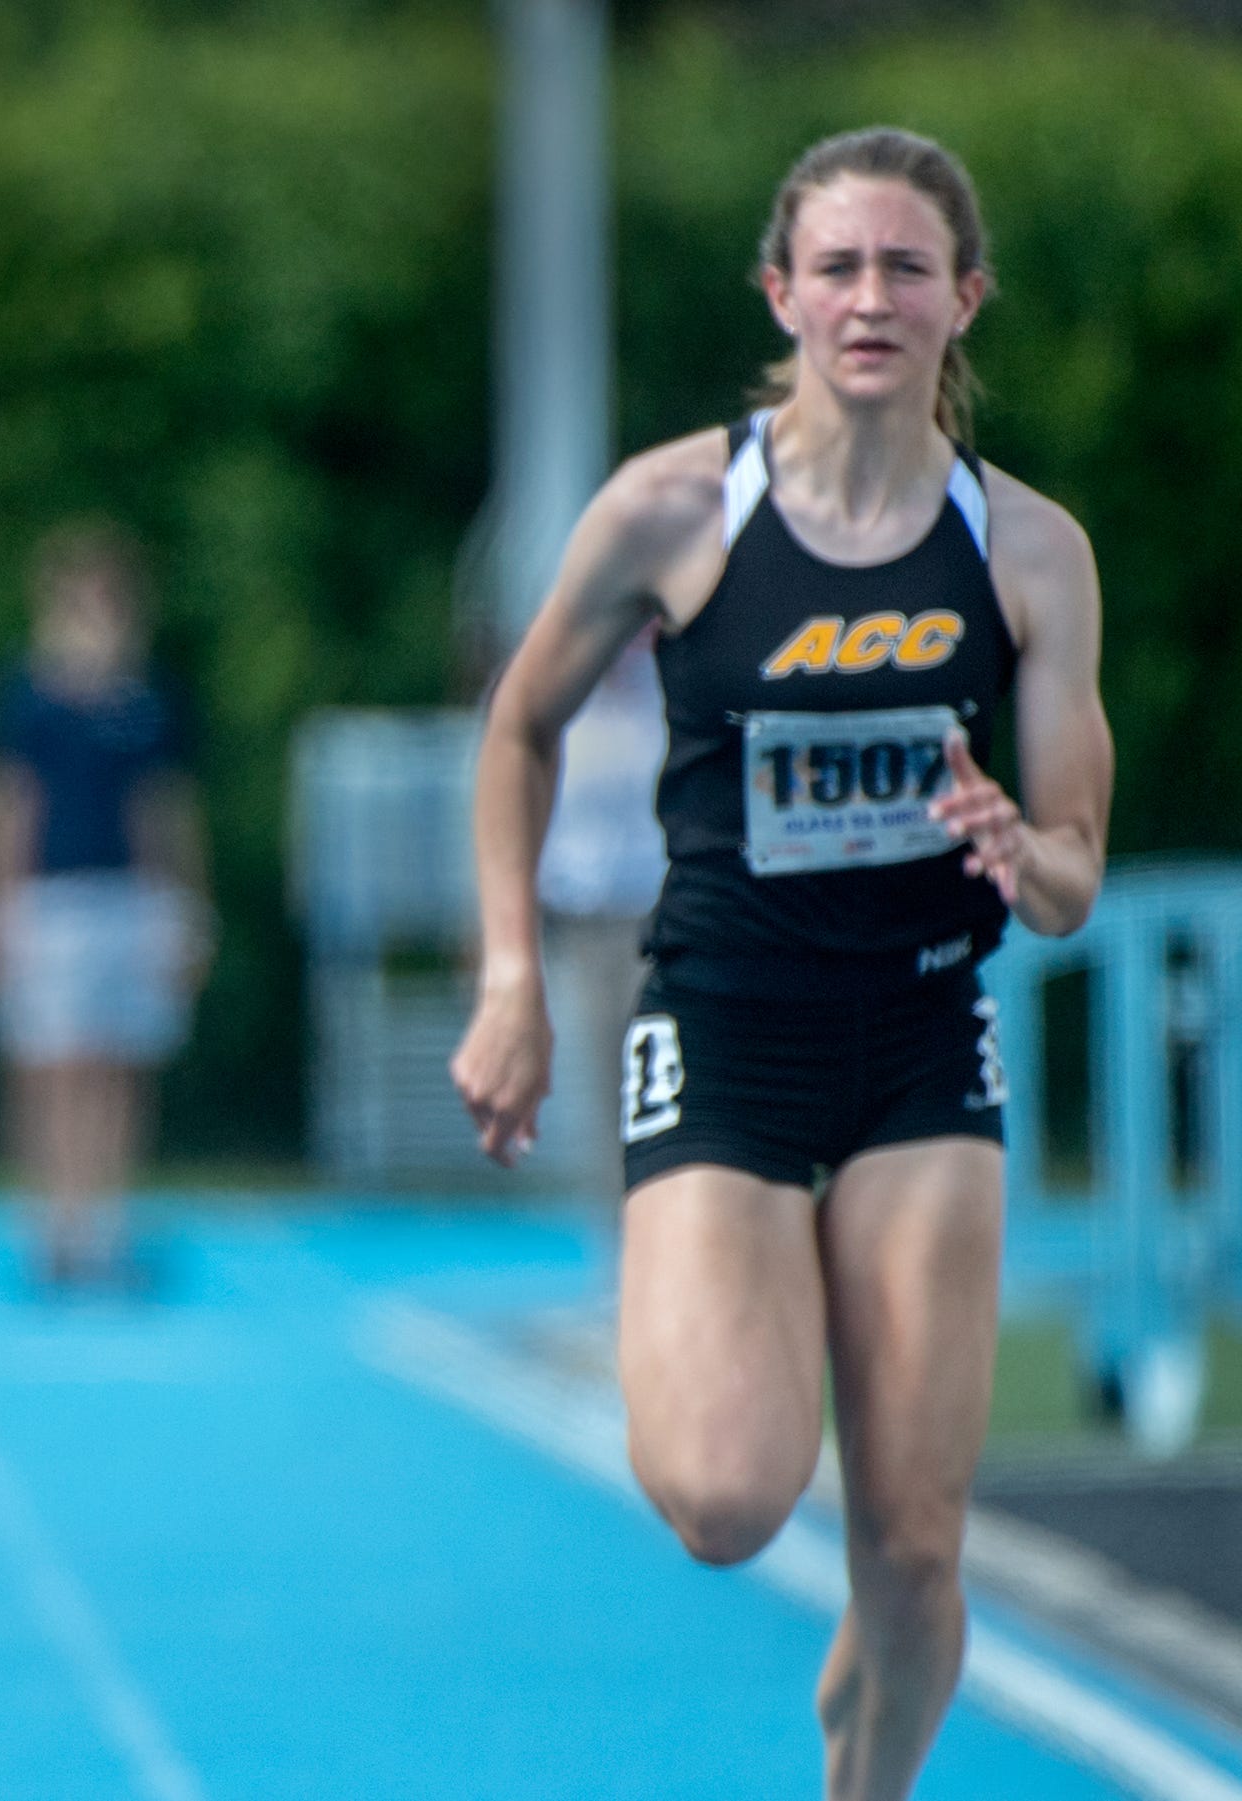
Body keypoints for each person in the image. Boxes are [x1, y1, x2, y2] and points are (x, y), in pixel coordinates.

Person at [450, 129, 1110, 1801]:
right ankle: (765, 1305)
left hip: (919, 1045)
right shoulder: (678, 509)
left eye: (906, 268)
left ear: (965, 299)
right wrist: (513, 978)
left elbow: (1073, 877)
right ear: (782, 292)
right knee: (729, 1499)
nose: (869, 298)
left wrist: (1023, 848)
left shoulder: (1028, 555)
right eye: (837, 266)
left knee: (914, 1539)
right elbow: (517, 725)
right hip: (726, 1031)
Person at [0, 521, 210, 1293]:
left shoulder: (147, 703)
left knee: (118, 1068)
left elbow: (167, 809)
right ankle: (52, 1224)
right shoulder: (27, 697)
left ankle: (105, 1224)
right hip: (49, 903)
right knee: (48, 1070)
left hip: (130, 900)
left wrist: (187, 907)